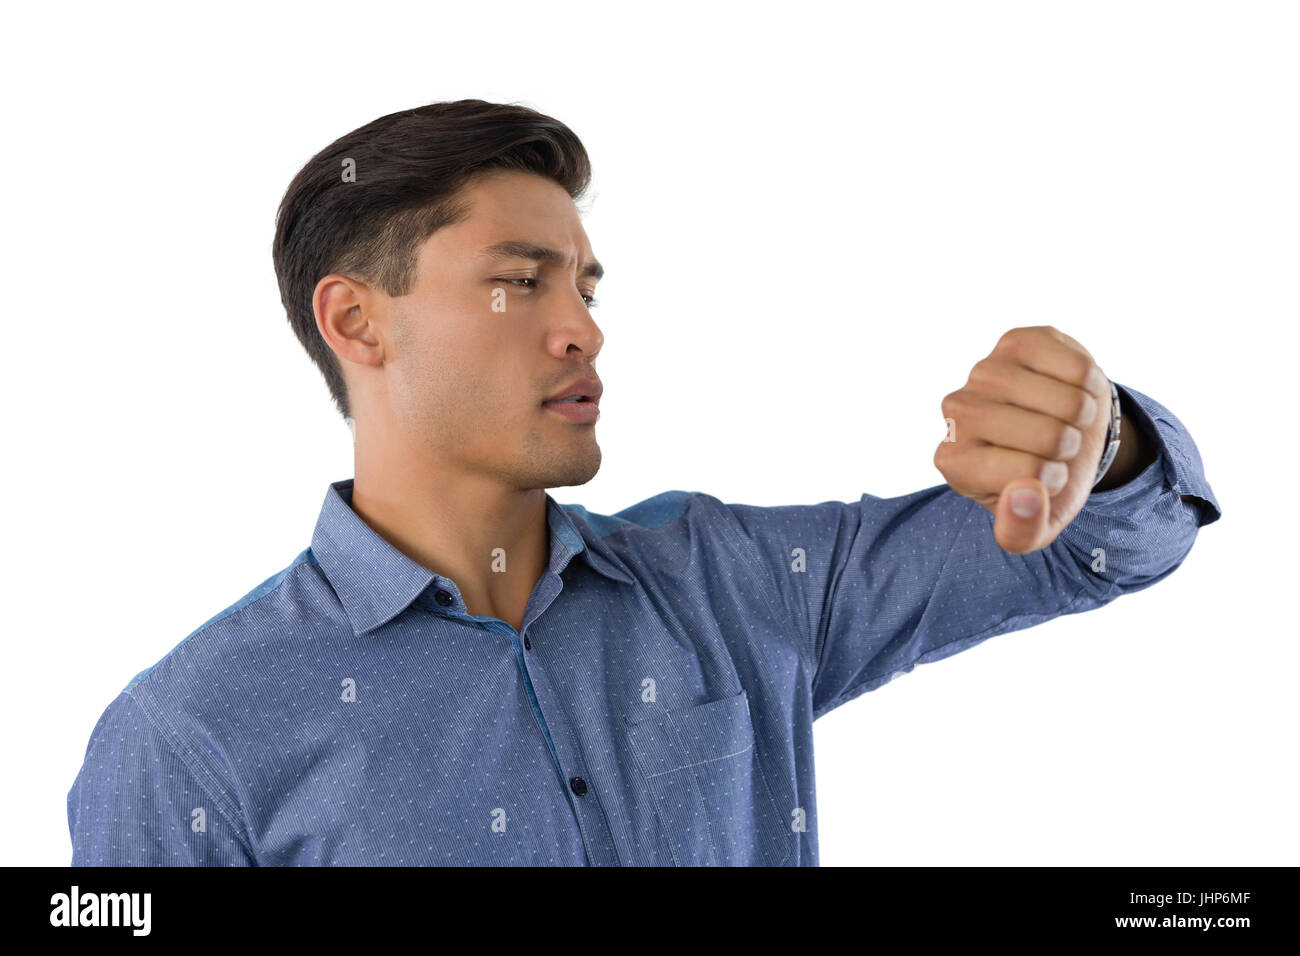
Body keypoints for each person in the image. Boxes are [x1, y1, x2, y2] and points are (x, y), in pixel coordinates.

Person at [67, 99, 1220, 866]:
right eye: (523, 281)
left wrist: (1098, 439)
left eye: (587, 285)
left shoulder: (733, 582)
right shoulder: (185, 740)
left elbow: (1098, 548)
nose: (582, 329)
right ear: (356, 319)